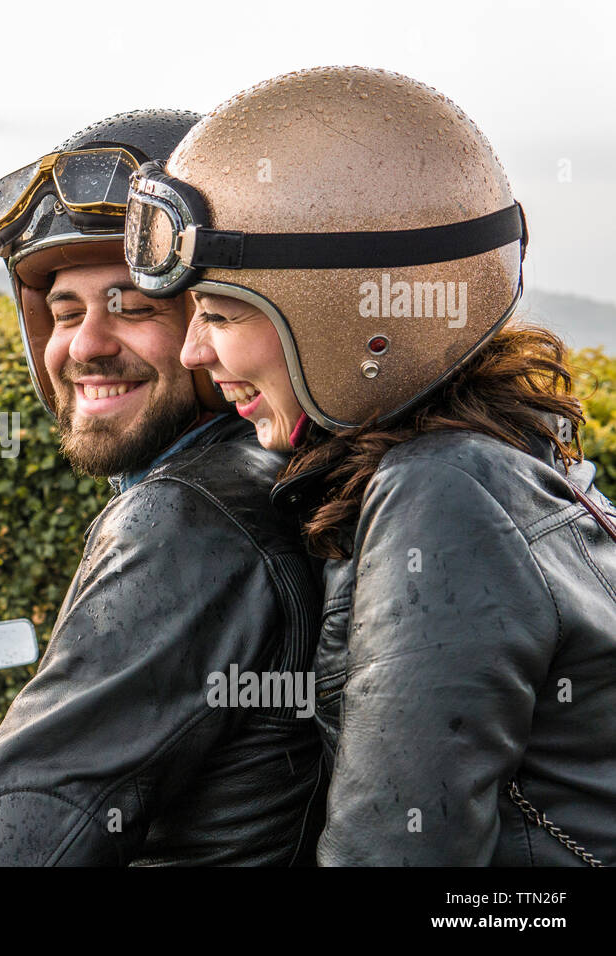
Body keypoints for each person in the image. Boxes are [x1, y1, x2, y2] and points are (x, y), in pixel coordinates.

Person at [124, 65, 616, 865]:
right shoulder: (508, 458)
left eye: (217, 312)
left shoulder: (441, 490)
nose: (192, 351)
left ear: (348, 319)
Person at [0, 110, 324, 866]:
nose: (87, 346)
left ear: (218, 318)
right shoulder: (280, 472)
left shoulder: (192, 516)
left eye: (133, 306)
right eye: (65, 313)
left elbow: (20, 827)